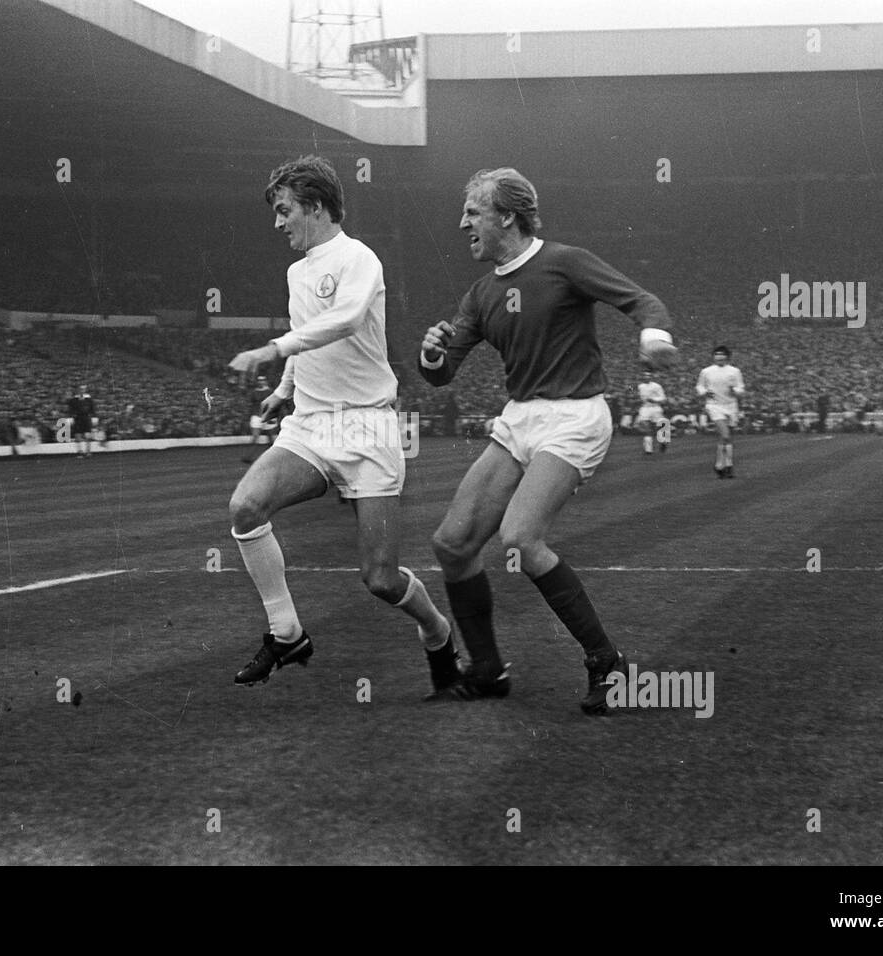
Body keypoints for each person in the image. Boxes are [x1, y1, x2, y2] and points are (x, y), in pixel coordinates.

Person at [418, 167, 676, 715]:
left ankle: (608, 663)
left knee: (520, 537)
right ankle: (487, 671)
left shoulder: (564, 262)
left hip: (576, 416)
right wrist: (433, 351)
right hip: (521, 417)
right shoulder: (481, 292)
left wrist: (654, 336)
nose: (462, 222)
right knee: (452, 543)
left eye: (472, 211)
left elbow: (642, 301)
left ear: (506, 215)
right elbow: (441, 374)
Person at [224, 155, 453, 691]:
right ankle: (286, 634)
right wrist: (284, 388)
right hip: (310, 425)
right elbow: (310, 334)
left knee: (380, 579)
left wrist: (272, 348)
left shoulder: (359, 258)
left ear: (317, 206)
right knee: (245, 507)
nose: (278, 224)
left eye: (284, 211)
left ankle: (438, 631)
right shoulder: (294, 271)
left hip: (368, 429)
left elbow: (345, 319)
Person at [696, 346, 745, 478]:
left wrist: (735, 391)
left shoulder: (734, 371)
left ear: (727, 357)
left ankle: (719, 465)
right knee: (726, 435)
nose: (719, 357)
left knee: (724, 438)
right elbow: (700, 386)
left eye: (722, 355)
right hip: (714, 406)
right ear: (713, 357)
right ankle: (729, 465)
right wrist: (704, 392)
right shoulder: (706, 371)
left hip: (731, 405)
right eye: (717, 354)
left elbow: (741, 388)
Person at [242, 375, 278, 463]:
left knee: (270, 438)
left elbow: (274, 404)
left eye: (263, 380)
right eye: (259, 380)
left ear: (266, 381)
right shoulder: (253, 392)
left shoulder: (270, 391)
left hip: (268, 416)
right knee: (255, 437)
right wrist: (247, 417)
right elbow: (250, 405)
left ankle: (273, 457)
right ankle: (248, 457)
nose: (260, 382)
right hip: (256, 417)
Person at [636, 370, 669, 454]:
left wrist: (653, 400)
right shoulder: (640, 386)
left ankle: (663, 441)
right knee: (646, 427)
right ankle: (648, 450)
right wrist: (630, 388)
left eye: (648, 376)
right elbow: (631, 389)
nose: (646, 377)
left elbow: (663, 398)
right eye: (644, 376)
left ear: (651, 377)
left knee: (660, 426)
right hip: (644, 408)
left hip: (655, 408)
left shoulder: (657, 386)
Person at [67, 385, 96, 458]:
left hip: (86, 418)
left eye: (83, 389)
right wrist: (71, 417)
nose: (82, 391)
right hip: (77, 419)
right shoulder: (73, 400)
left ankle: (88, 451)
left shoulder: (89, 399)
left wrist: (93, 417)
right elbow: (70, 410)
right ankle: (79, 452)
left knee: (87, 435)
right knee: (78, 435)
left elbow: (92, 409)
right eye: (80, 389)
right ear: (78, 390)